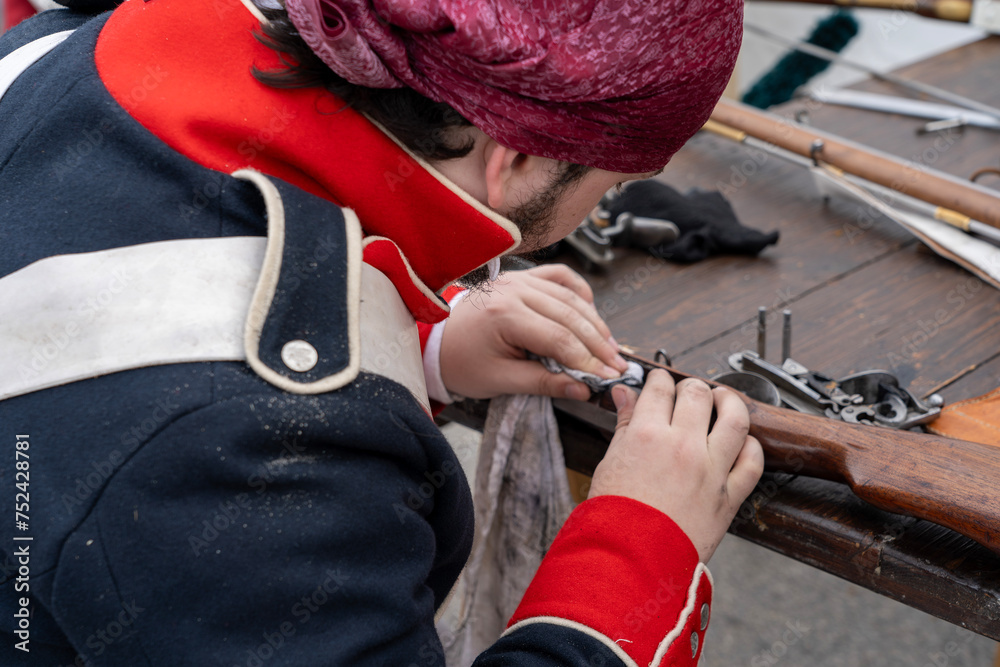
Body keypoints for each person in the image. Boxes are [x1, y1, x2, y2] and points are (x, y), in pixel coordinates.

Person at [0, 0, 763, 664]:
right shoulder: (255, 453)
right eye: (615, 183)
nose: (604, 207)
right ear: (522, 156)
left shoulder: (61, 46)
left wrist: (413, 336)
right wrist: (637, 546)